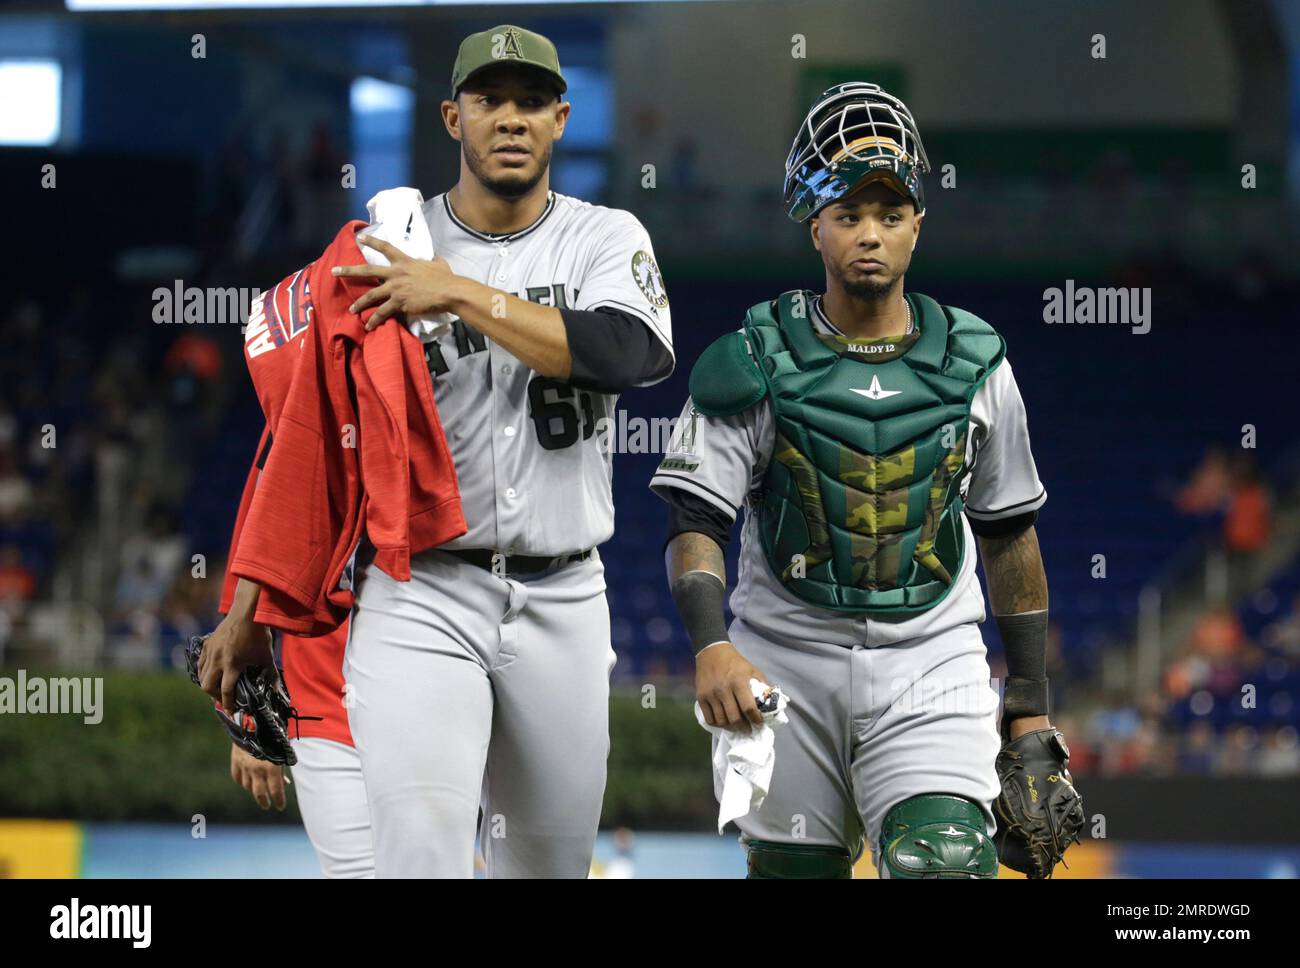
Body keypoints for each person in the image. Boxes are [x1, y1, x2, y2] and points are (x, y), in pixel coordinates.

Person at [204, 24, 674, 878]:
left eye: (531, 102)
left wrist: (457, 290)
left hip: (566, 592)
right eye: (489, 100)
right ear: (452, 117)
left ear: (561, 119)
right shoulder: (382, 245)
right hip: (421, 592)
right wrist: (249, 610)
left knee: (548, 867)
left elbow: (627, 353)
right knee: (419, 858)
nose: (510, 118)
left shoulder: (608, 237)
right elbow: (305, 439)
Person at [652, 82, 1074, 878]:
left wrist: (1029, 705)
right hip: (782, 662)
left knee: (944, 863)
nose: (870, 235)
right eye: (849, 216)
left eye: (890, 214)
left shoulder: (977, 362)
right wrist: (710, 647)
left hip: (932, 660)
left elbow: (1010, 531)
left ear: (919, 222)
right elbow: (693, 519)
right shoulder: (753, 357)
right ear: (816, 228)